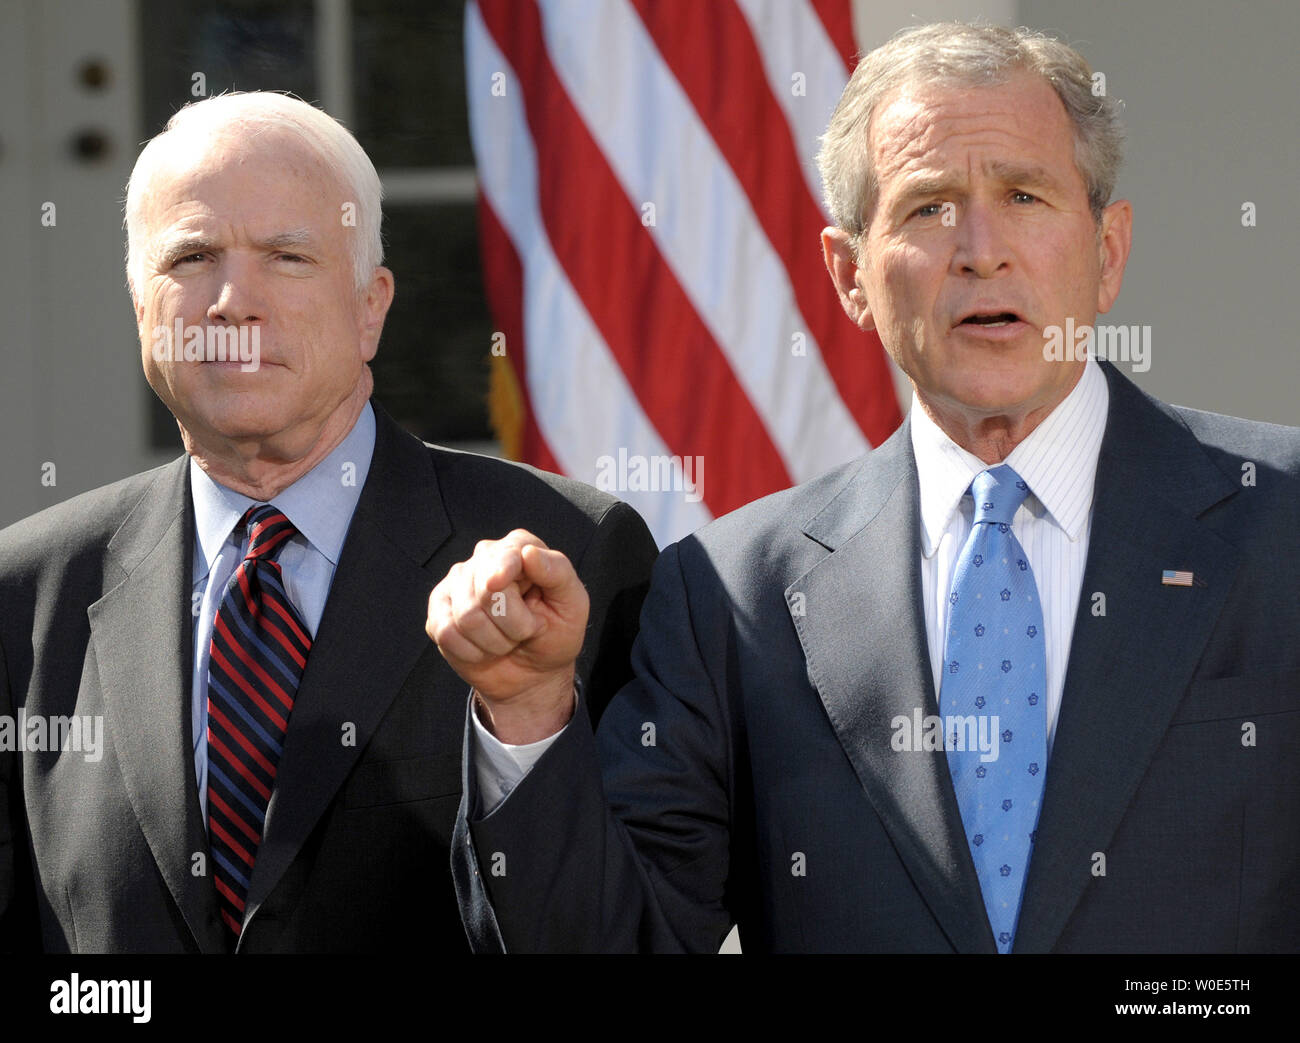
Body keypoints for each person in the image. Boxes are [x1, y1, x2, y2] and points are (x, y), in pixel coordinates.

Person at [430, 23, 1300, 953]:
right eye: (928, 207)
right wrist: (527, 712)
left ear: (1108, 251)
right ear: (849, 275)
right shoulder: (730, 594)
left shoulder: (1278, 521)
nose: (982, 249)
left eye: (1024, 194)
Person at [0, 91, 658, 953]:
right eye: (192, 256)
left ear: (372, 307)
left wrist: (526, 720)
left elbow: (613, 937)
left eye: (287, 256)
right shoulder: (29, 592)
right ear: (140, 311)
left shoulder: (569, 552)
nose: (233, 301)